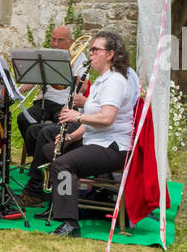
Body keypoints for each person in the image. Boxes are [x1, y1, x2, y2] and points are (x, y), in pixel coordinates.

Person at [18, 30, 138, 237]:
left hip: (113, 147)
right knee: (49, 150)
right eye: (90, 49)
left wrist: (77, 117)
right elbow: (93, 120)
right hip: (97, 140)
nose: (90, 54)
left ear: (110, 54)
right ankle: (59, 202)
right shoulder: (103, 79)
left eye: (95, 50)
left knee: (63, 164)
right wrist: (70, 137)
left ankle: (69, 222)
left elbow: (106, 118)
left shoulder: (115, 81)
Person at [16, 25, 78, 156]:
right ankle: (36, 157)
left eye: (60, 40)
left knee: (60, 123)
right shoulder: (45, 55)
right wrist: (19, 90)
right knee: (23, 119)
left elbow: (83, 87)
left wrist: (69, 70)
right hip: (45, 101)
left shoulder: (80, 57)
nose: (55, 44)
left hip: (64, 104)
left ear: (70, 42)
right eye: (53, 39)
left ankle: (55, 156)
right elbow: (34, 79)